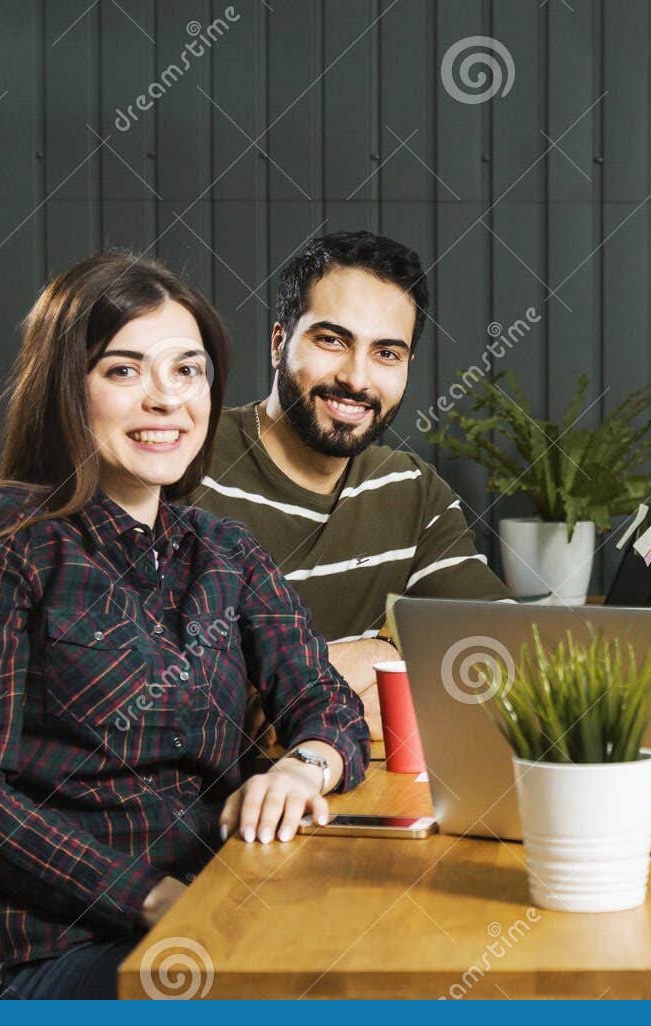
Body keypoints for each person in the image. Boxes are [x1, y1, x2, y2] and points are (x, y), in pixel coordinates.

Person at [0, 252, 370, 999]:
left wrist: (304, 765)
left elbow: (328, 702)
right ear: (66, 389)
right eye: (123, 370)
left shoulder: (223, 551)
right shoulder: (2, 537)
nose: (165, 399)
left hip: (224, 906)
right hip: (56, 952)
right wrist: (157, 900)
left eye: (187, 371)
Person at [191, 230, 509, 734]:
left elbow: (504, 649)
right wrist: (378, 659)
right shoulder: (185, 465)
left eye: (387, 353)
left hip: (347, 775)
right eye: (332, 340)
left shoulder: (411, 491)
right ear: (279, 343)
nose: (357, 380)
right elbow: (175, 692)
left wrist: (369, 659)